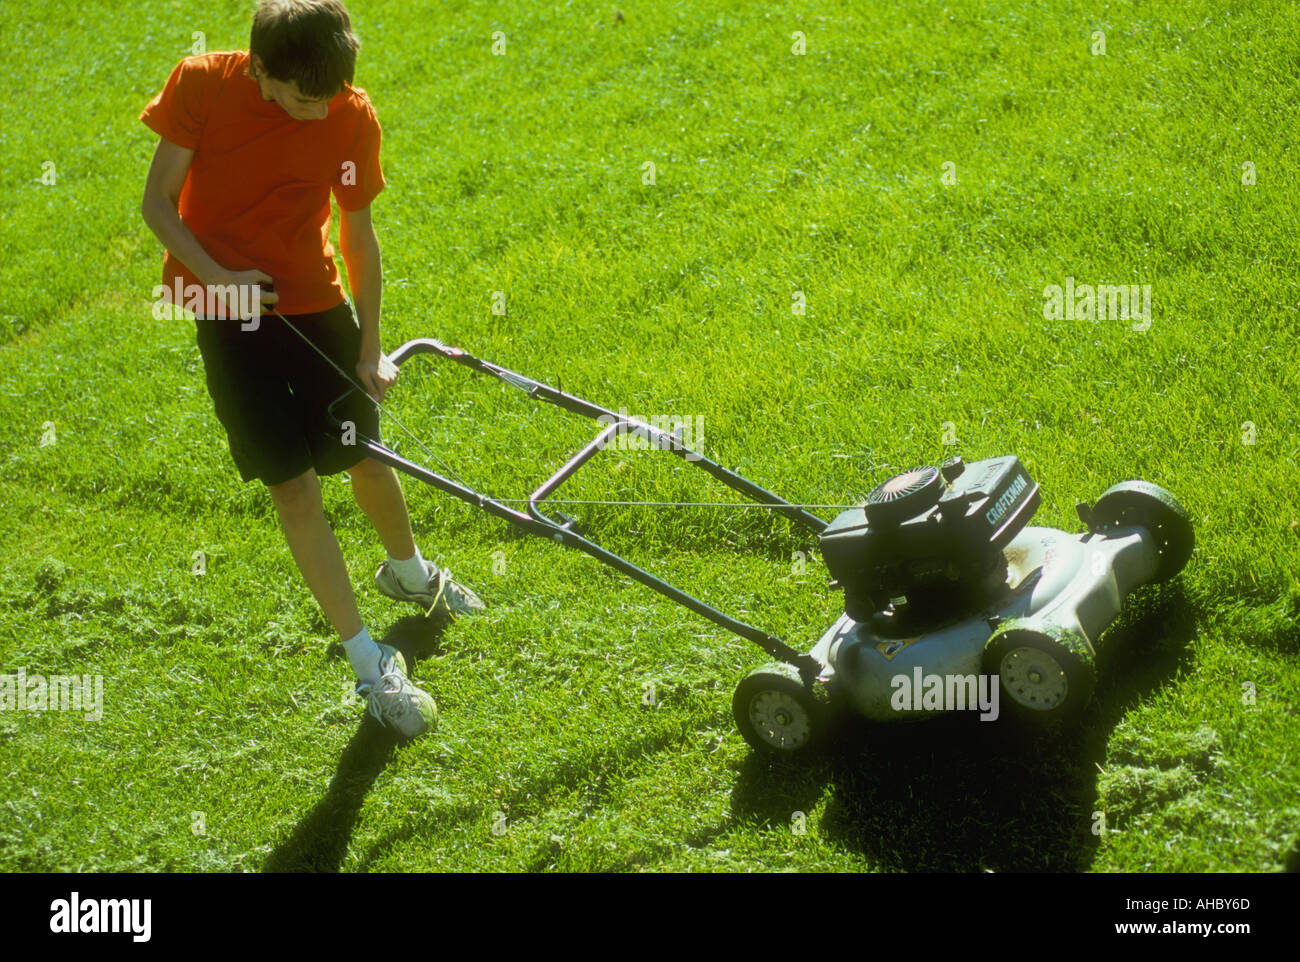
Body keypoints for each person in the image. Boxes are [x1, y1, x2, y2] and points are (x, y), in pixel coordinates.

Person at [139, 0, 483, 740]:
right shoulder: (201, 84)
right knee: (293, 489)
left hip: (317, 304)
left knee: (365, 454)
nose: (320, 110)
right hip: (228, 316)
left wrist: (370, 347)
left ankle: (410, 574)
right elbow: (158, 204)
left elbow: (358, 234)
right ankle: (369, 662)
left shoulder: (349, 114)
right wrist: (218, 280)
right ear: (262, 70)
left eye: (330, 95)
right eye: (303, 98)